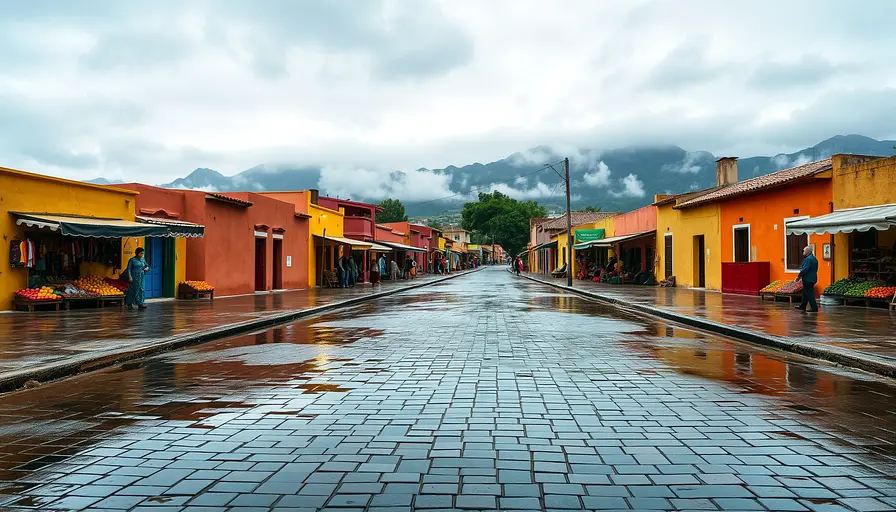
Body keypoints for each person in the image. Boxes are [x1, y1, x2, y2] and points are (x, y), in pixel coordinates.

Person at [796, 245, 819, 312]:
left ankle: (814, 307)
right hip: (813, 278)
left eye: (804, 250)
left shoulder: (808, 259)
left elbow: (805, 269)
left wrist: (799, 276)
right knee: (805, 293)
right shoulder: (814, 258)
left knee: (809, 293)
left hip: (808, 279)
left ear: (808, 252)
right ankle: (803, 306)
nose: (803, 252)